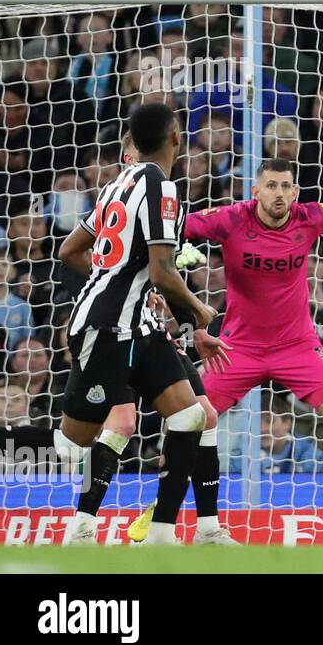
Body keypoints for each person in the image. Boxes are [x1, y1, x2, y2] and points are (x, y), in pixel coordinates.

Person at [124, 158, 323, 548]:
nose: (279, 194)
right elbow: (177, 222)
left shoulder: (309, 217)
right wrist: (182, 247)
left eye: (286, 186)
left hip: (297, 345)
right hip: (239, 346)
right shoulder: (232, 218)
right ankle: (159, 509)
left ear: (295, 192)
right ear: (256, 191)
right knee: (191, 419)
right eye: (271, 186)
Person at [53, 103, 224, 545]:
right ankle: (80, 525)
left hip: (138, 326)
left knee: (190, 416)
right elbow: (165, 273)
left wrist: (119, 277)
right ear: (175, 139)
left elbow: (70, 250)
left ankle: (164, 532)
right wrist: (199, 312)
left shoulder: (116, 184)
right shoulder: (162, 188)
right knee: (73, 441)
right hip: (106, 328)